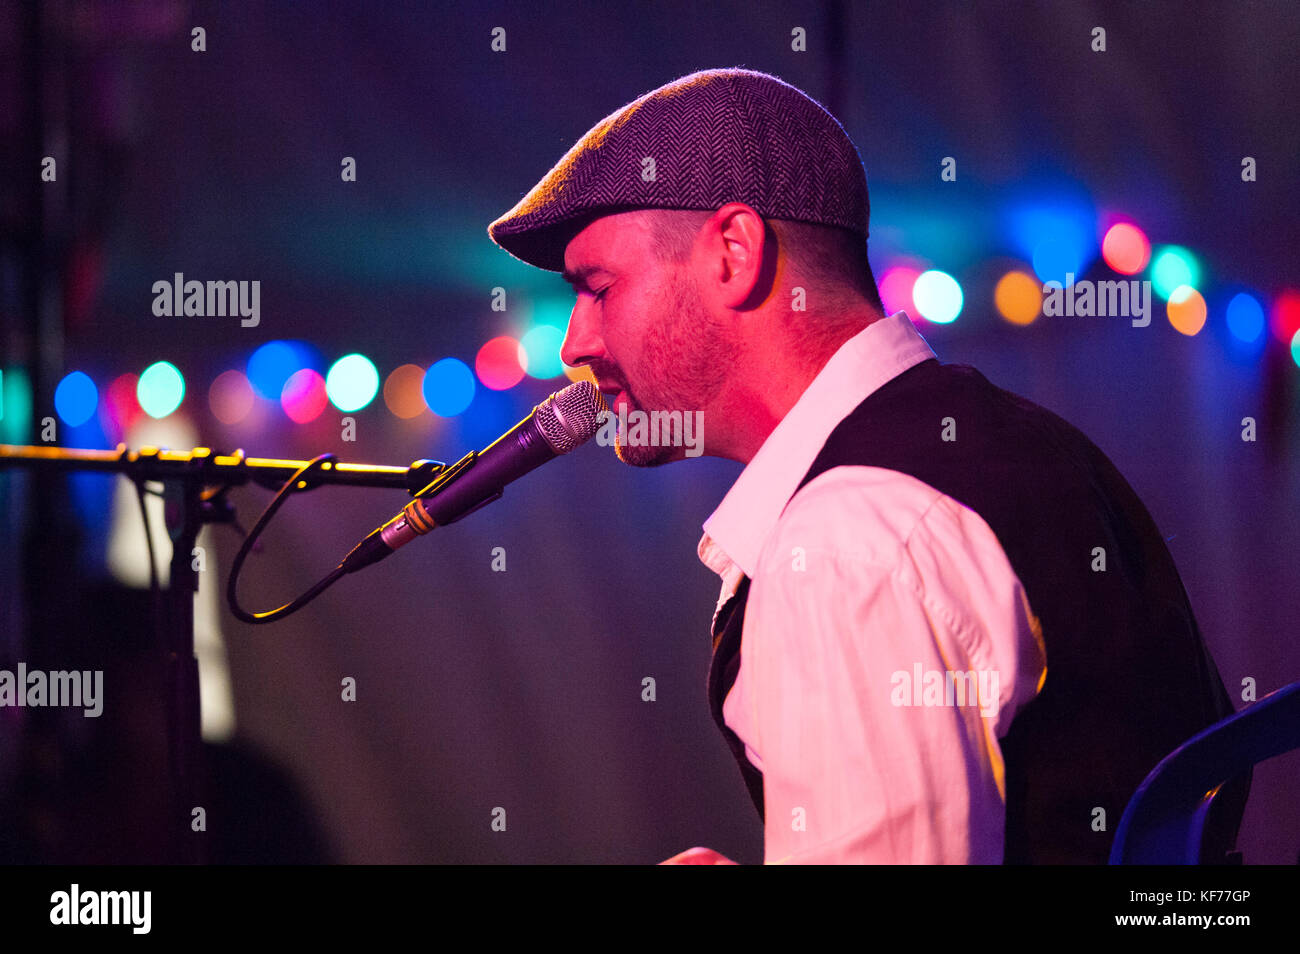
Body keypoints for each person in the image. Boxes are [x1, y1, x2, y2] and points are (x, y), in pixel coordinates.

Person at [487, 68, 1246, 864]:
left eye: (597, 287)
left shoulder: (846, 543)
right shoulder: (1022, 445)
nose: (575, 345)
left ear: (734, 253)